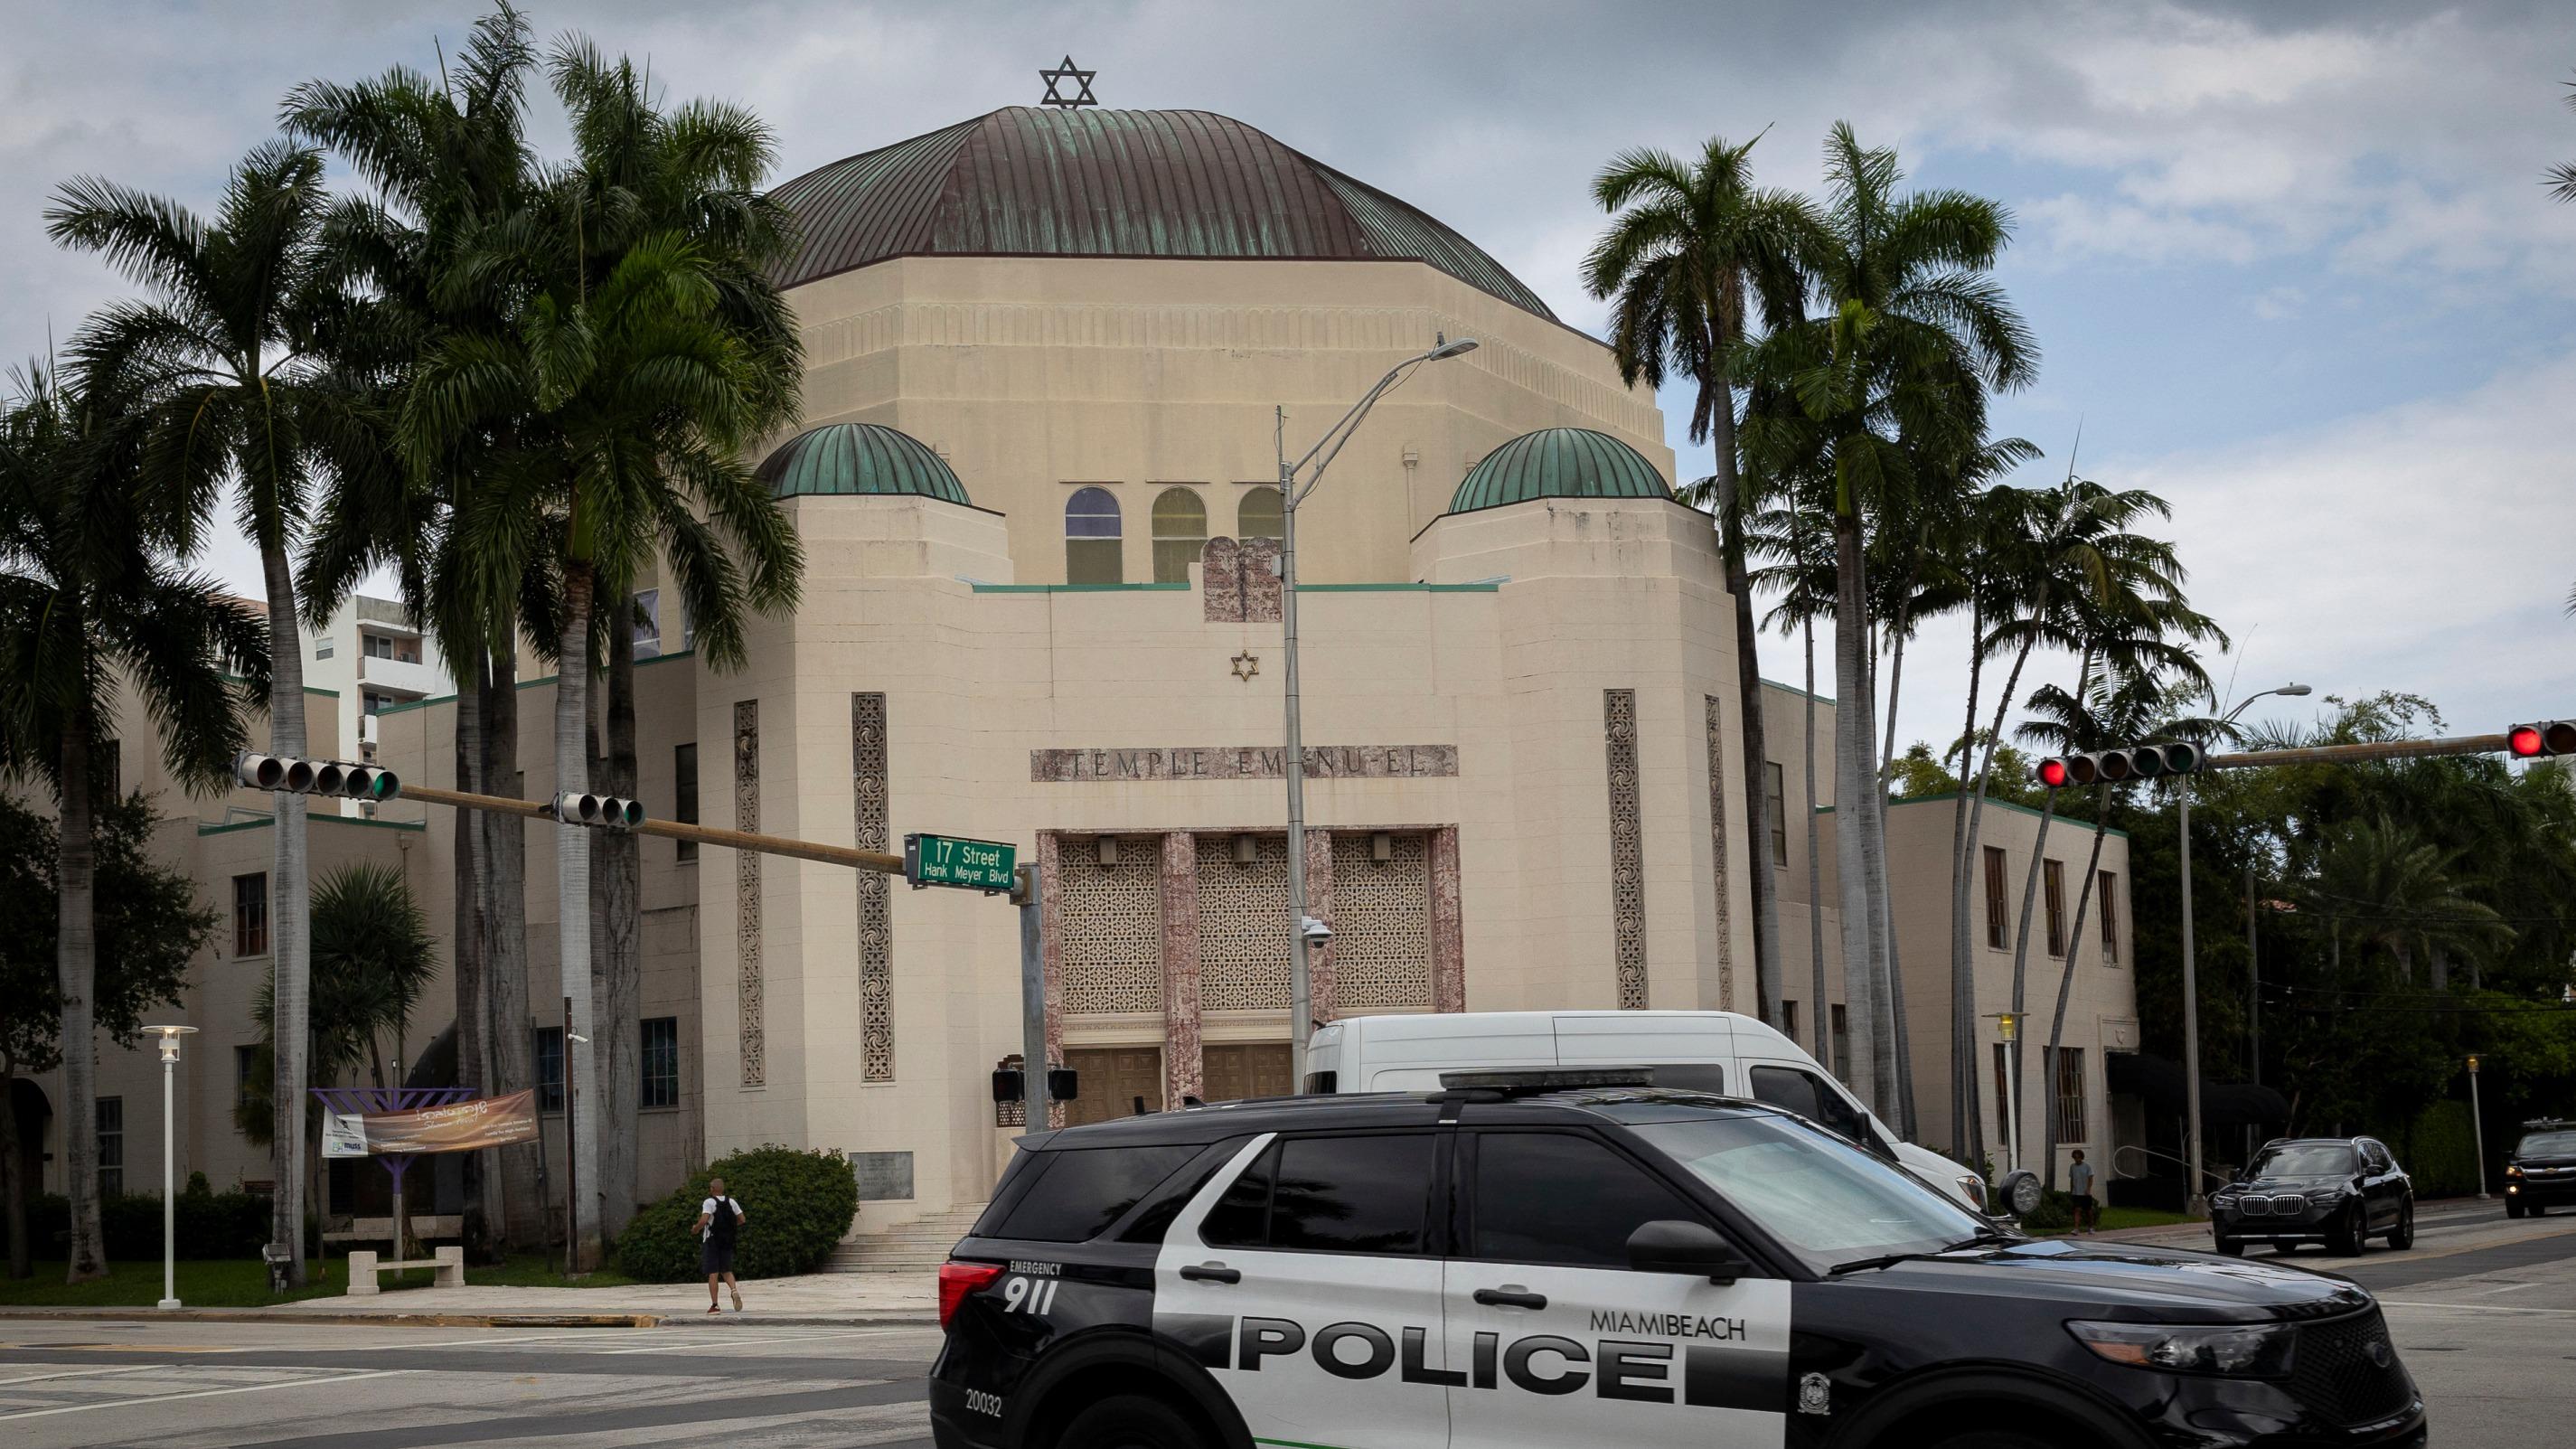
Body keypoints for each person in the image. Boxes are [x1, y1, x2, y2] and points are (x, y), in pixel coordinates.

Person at [695, 1177, 747, 1313]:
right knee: (726, 1270)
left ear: (712, 1189)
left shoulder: (709, 1202)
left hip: (712, 1241)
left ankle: (715, 1305)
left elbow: (704, 1220)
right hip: (727, 1240)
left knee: (713, 1273)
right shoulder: (731, 1202)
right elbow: (742, 1219)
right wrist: (728, 1228)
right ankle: (734, 1290)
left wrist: (695, 1229)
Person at [2067, 1150, 2098, 1235]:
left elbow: (2090, 1178)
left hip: (2085, 1193)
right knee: (2077, 1210)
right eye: (2075, 1157)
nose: (2077, 1159)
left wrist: (2088, 1189)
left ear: (2081, 1157)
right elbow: (2072, 1179)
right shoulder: (2072, 1167)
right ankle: (2076, 1228)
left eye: (2078, 1157)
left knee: (2088, 1211)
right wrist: (2071, 1190)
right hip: (2076, 1192)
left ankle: (2091, 1227)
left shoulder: (2087, 1167)